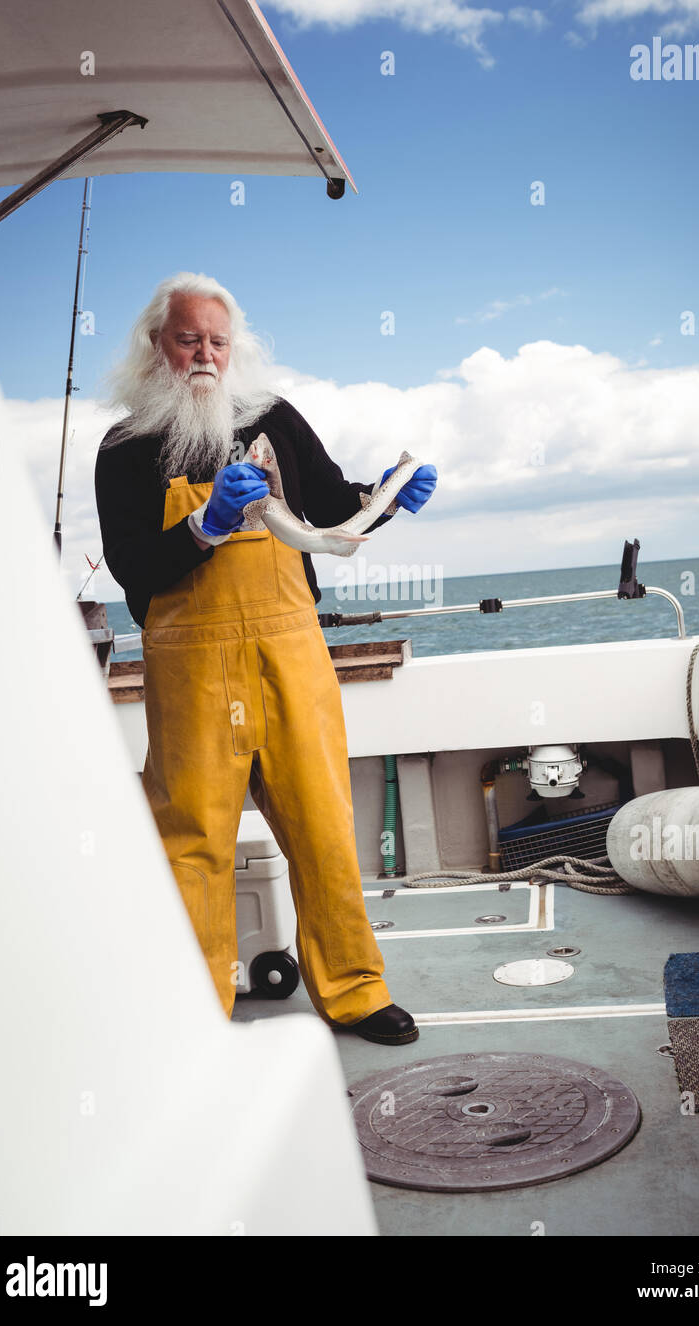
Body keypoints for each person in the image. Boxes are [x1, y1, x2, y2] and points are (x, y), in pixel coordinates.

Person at [94, 272, 437, 1044]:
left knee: (323, 825)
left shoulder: (272, 418)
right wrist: (205, 527)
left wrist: (387, 494)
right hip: (192, 665)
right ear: (158, 347)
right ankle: (195, 1010)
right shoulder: (124, 449)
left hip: (292, 652)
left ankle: (354, 991)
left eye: (218, 340)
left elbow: (330, 507)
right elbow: (133, 569)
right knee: (192, 841)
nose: (206, 354)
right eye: (190, 340)